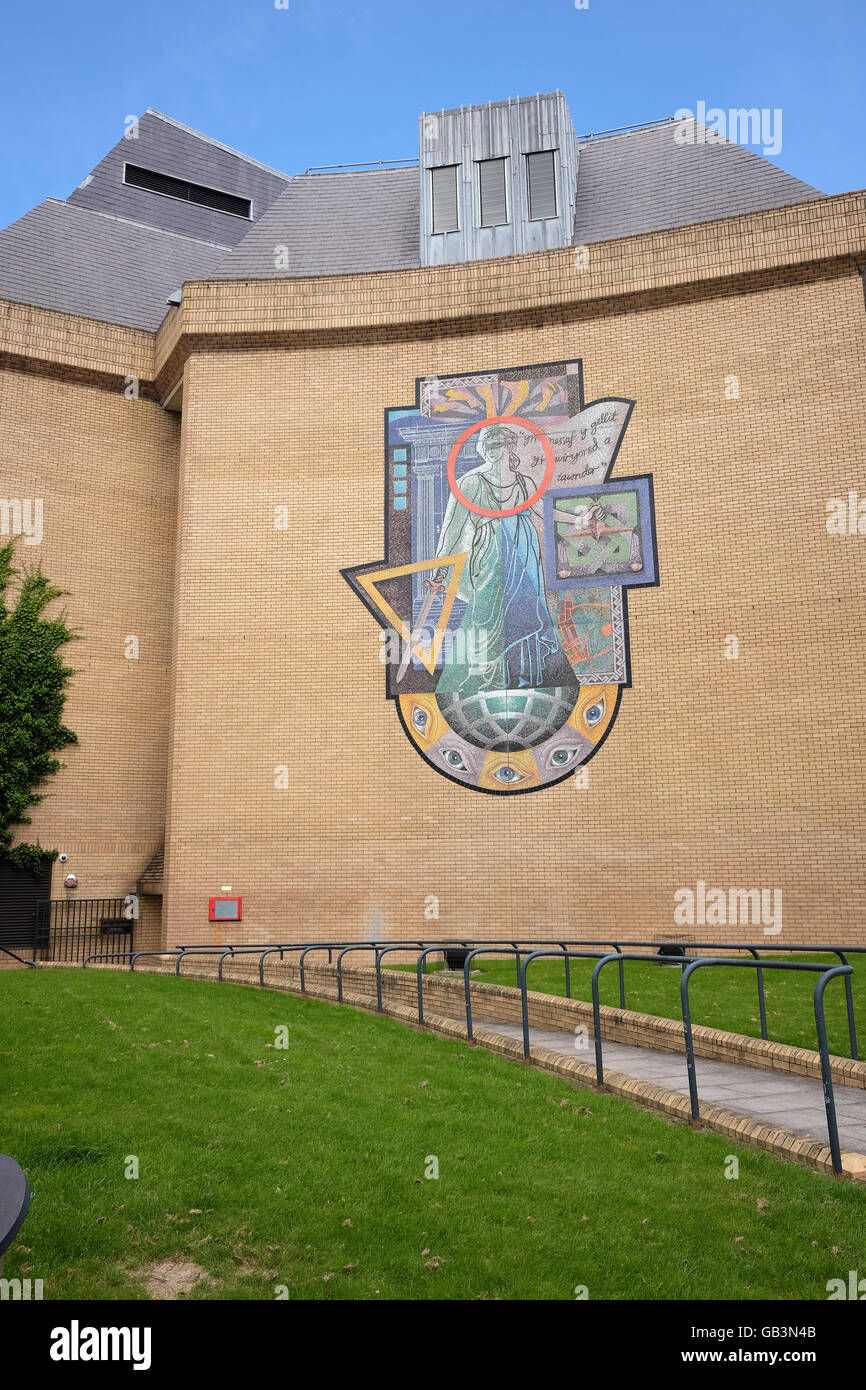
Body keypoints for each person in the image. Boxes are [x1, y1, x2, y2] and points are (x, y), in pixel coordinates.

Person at [426, 423, 561, 693]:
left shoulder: (525, 481)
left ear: (509, 448)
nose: (490, 452)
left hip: (524, 550)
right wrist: (440, 571)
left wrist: (579, 518)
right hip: (489, 552)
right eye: (486, 447)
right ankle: (485, 677)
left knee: (524, 612)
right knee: (485, 615)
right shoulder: (471, 482)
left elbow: (546, 512)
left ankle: (523, 674)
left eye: (496, 446)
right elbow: (453, 528)